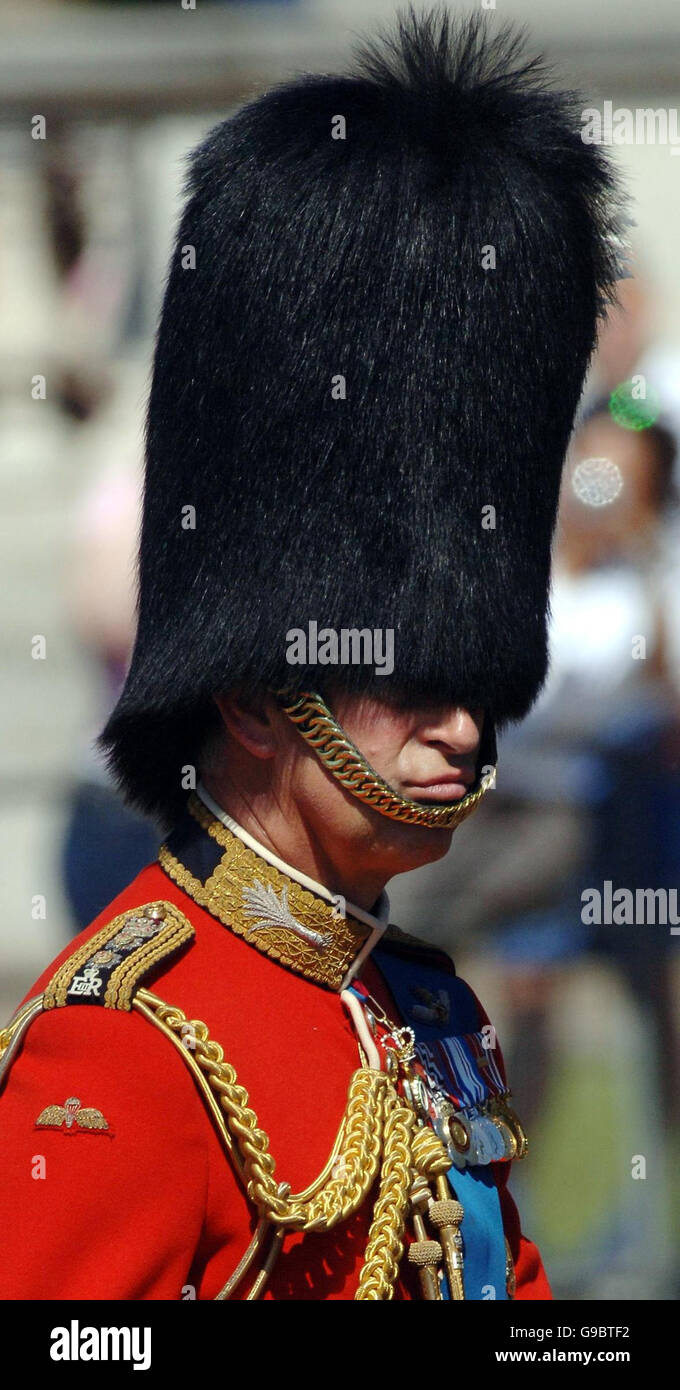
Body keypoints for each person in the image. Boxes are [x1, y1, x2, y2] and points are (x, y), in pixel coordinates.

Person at [0, 11, 622, 1301]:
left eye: (474, 680)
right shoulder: (122, 1047)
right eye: (413, 679)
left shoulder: (426, 1011)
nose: (465, 729)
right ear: (253, 696)